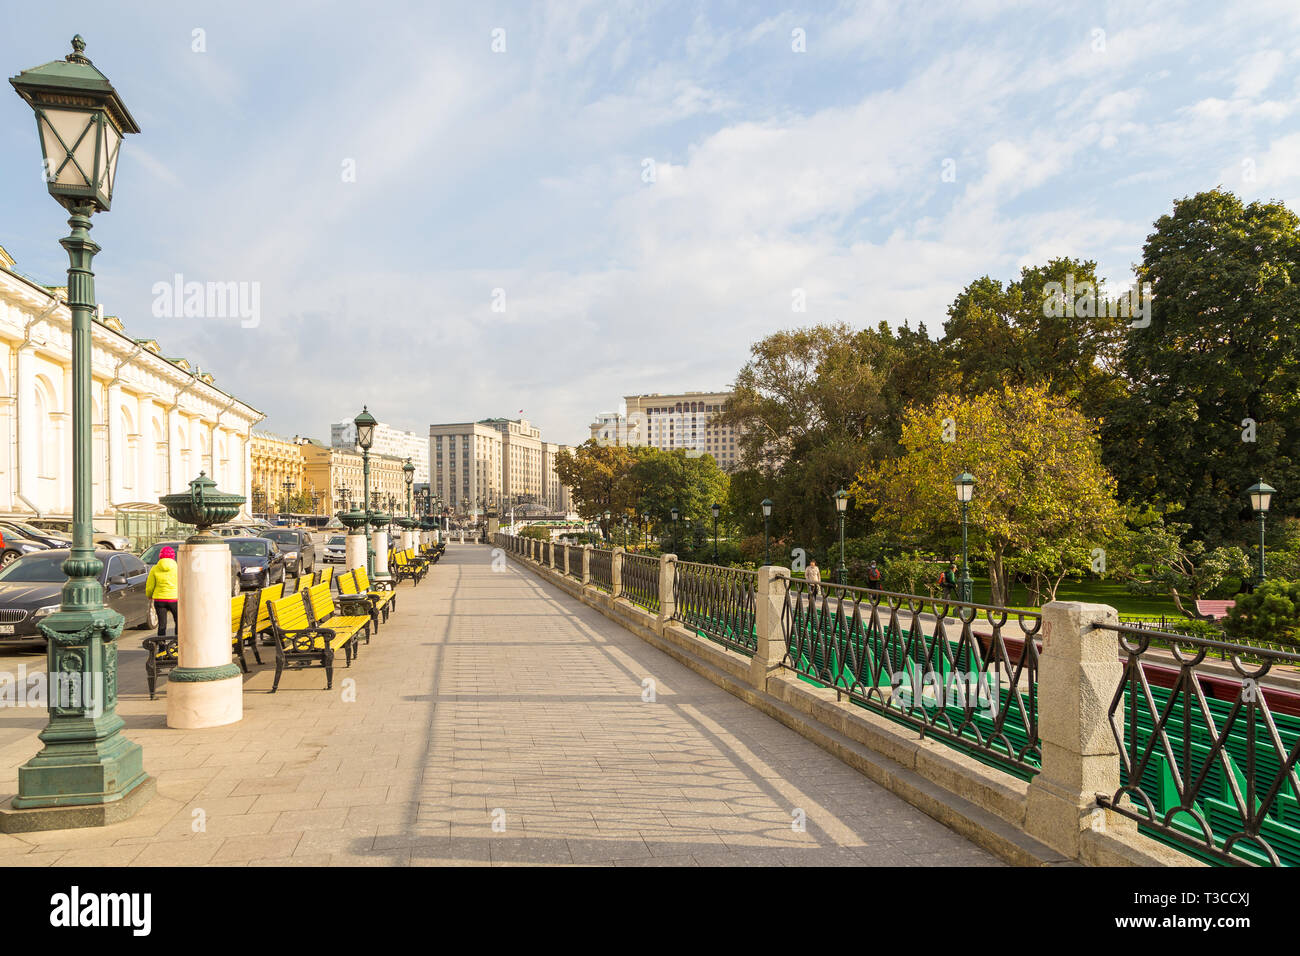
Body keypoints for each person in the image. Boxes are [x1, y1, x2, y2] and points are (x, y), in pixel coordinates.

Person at [146, 545, 179, 638]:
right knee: (178, 622)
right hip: (174, 599)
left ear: (160, 556)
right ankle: (177, 645)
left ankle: (161, 648)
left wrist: (149, 595)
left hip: (159, 599)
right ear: (173, 556)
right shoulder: (177, 568)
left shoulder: (155, 568)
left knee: (162, 624)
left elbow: (150, 585)